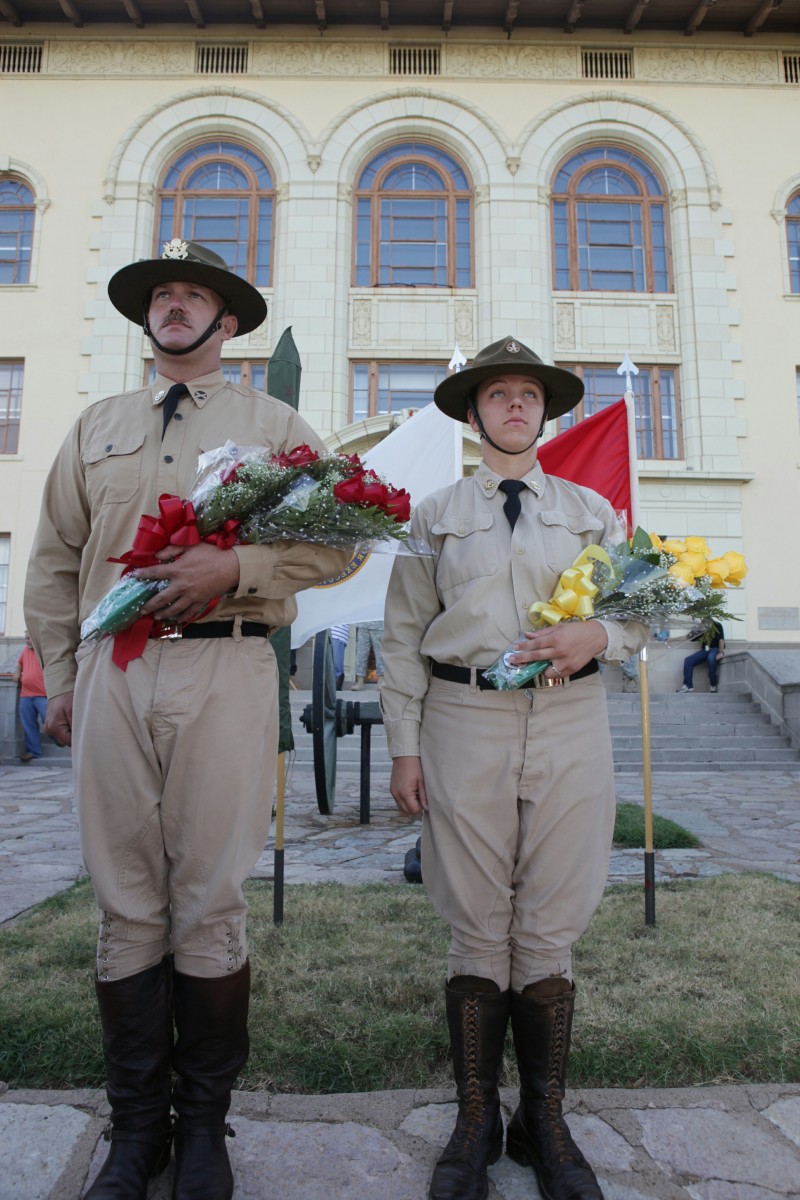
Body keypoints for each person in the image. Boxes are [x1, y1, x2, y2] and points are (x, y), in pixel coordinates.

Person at [24, 240, 350, 1200]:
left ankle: (203, 1131)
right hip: (112, 678)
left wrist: (237, 570)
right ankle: (137, 1135)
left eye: (191, 295)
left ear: (229, 321)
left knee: (207, 900)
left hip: (228, 670)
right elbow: (54, 558)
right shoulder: (97, 424)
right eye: (161, 295)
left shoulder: (277, 424)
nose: (172, 306)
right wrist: (58, 674)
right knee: (125, 902)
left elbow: (338, 547)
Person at [381, 336, 647, 1200]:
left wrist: (599, 635)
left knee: (551, 919)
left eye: (529, 394)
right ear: (474, 412)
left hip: (569, 719)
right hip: (463, 718)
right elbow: (401, 637)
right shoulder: (434, 515)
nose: (516, 405)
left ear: (547, 410)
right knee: (475, 920)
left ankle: (545, 1117)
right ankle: (473, 1118)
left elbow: (649, 607)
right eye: (498, 394)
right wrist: (405, 746)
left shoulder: (592, 511)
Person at [14, 631, 48, 762]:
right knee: (28, 724)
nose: (27, 641)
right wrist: (17, 673)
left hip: (42, 694)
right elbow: (19, 663)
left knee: (48, 720)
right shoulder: (25, 651)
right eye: (26, 638)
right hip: (26, 694)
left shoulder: (43, 651)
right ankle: (34, 751)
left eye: (29, 638)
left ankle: (58, 739)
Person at [678, 620, 725, 692]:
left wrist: (721, 652)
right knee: (688, 660)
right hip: (705, 650)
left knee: (711, 658)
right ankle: (688, 685)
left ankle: (713, 684)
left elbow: (721, 639)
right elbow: (686, 637)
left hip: (715, 649)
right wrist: (671, 639)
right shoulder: (700, 627)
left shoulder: (717, 625)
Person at [352, 619, 384, 690]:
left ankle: (381, 681)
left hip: (379, 625)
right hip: (363, 624)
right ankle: (360, 682)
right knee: (360, 653)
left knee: (380, 654)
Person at [330, 623, 349, 689]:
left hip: (338, 634)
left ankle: (336, 688)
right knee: (328, 664)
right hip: (327, 632)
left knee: (336, 665)